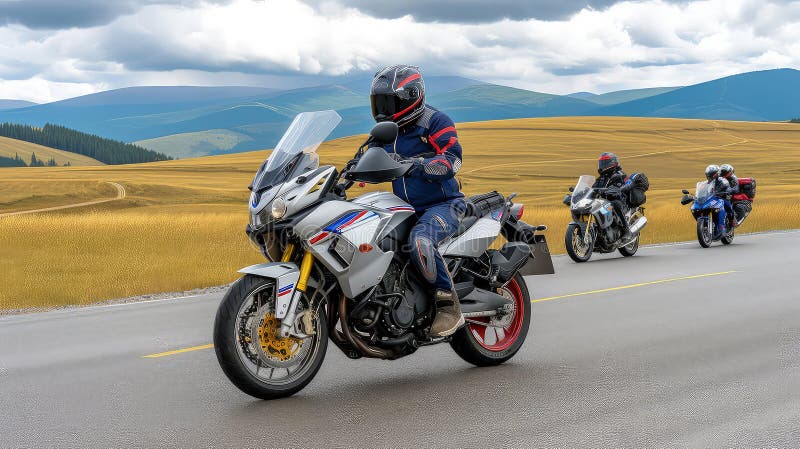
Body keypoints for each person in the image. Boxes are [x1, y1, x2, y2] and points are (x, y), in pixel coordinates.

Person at [370, 64, 466, 337]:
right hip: (404, 209)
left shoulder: (435, 121)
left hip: (444, 205)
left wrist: (417, 165)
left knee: (420, 240)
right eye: (379, 103)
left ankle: (448, 305)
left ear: (410, 96)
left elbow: (452, 160)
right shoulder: (387, 132)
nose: (383, 110)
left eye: (389, 102)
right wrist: (344, 177)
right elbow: (366, 157)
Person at [592, 152, 631, 236]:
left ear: (612, 163)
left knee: (615, 204)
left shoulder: (620, 175)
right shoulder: (601, 178)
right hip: (604, 203)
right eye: (601, 163)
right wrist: (584, 191)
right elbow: (593, 188)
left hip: (620, 201)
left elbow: (625, 185)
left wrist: (616, 189)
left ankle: (626, 230)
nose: (602, 165)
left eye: (605, 163)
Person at [705, 164, 732, 237]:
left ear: (717, 173)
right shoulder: (706, 183)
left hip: (723, 197)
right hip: (712, 199)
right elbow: (703, 190)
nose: (711, 176)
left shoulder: (722, 180)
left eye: (713, 174)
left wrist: (725, 191)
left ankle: (730, 223)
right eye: (709, 175)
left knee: (728, 207)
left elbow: (727, 185)